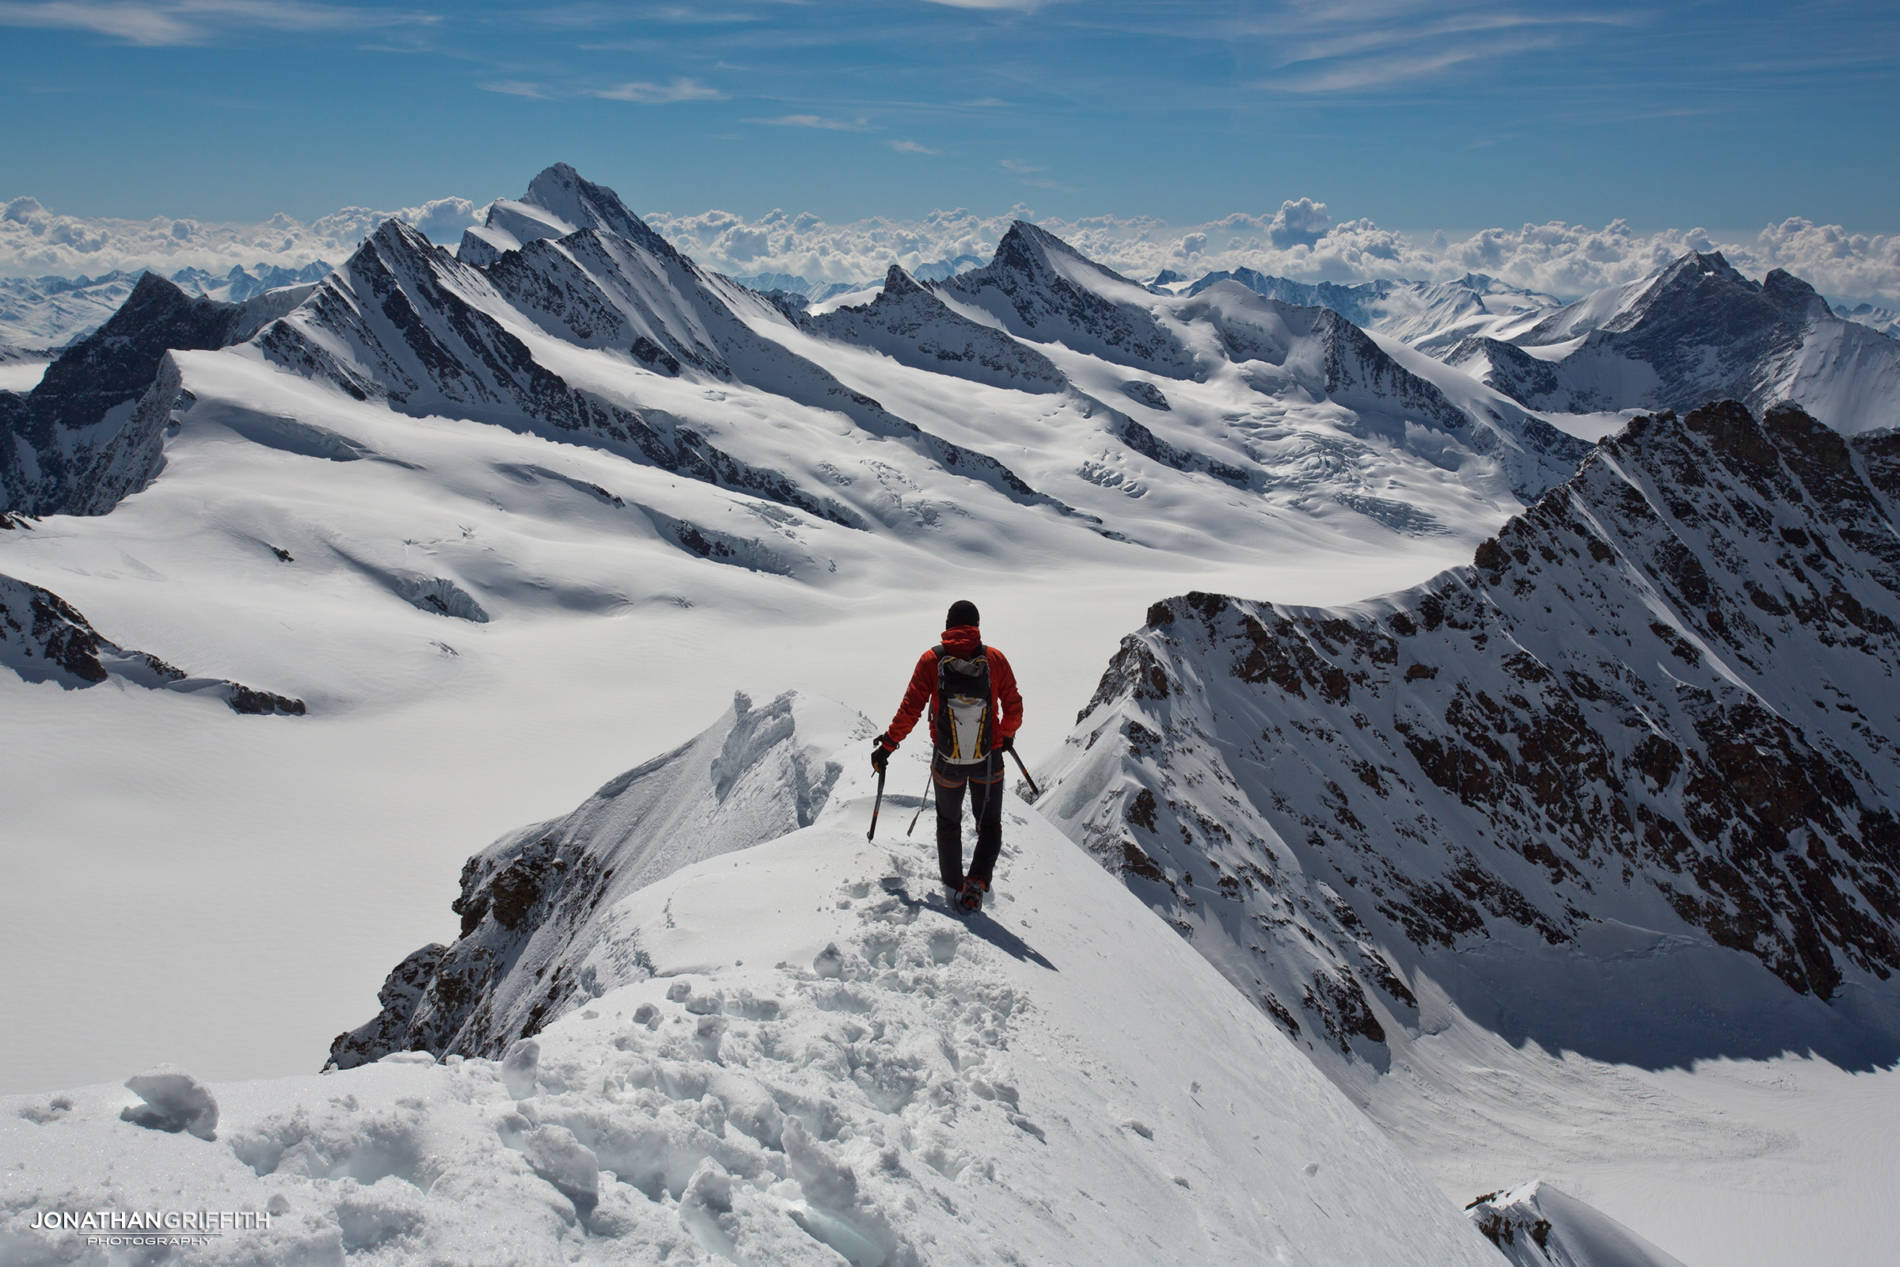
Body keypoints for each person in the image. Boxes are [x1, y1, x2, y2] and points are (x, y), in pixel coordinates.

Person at [873, 600, 1023, 913]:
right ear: (977, 626)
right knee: (989, 825)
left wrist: (888, 744)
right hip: (988, 759)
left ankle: (953, 886)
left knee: (948, 823)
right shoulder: (994, 659)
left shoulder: (932, 660)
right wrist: (1005, 736)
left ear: (947, 625)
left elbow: (910, 709)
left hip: (946, 761)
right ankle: (976, 883)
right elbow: (1013, 706)